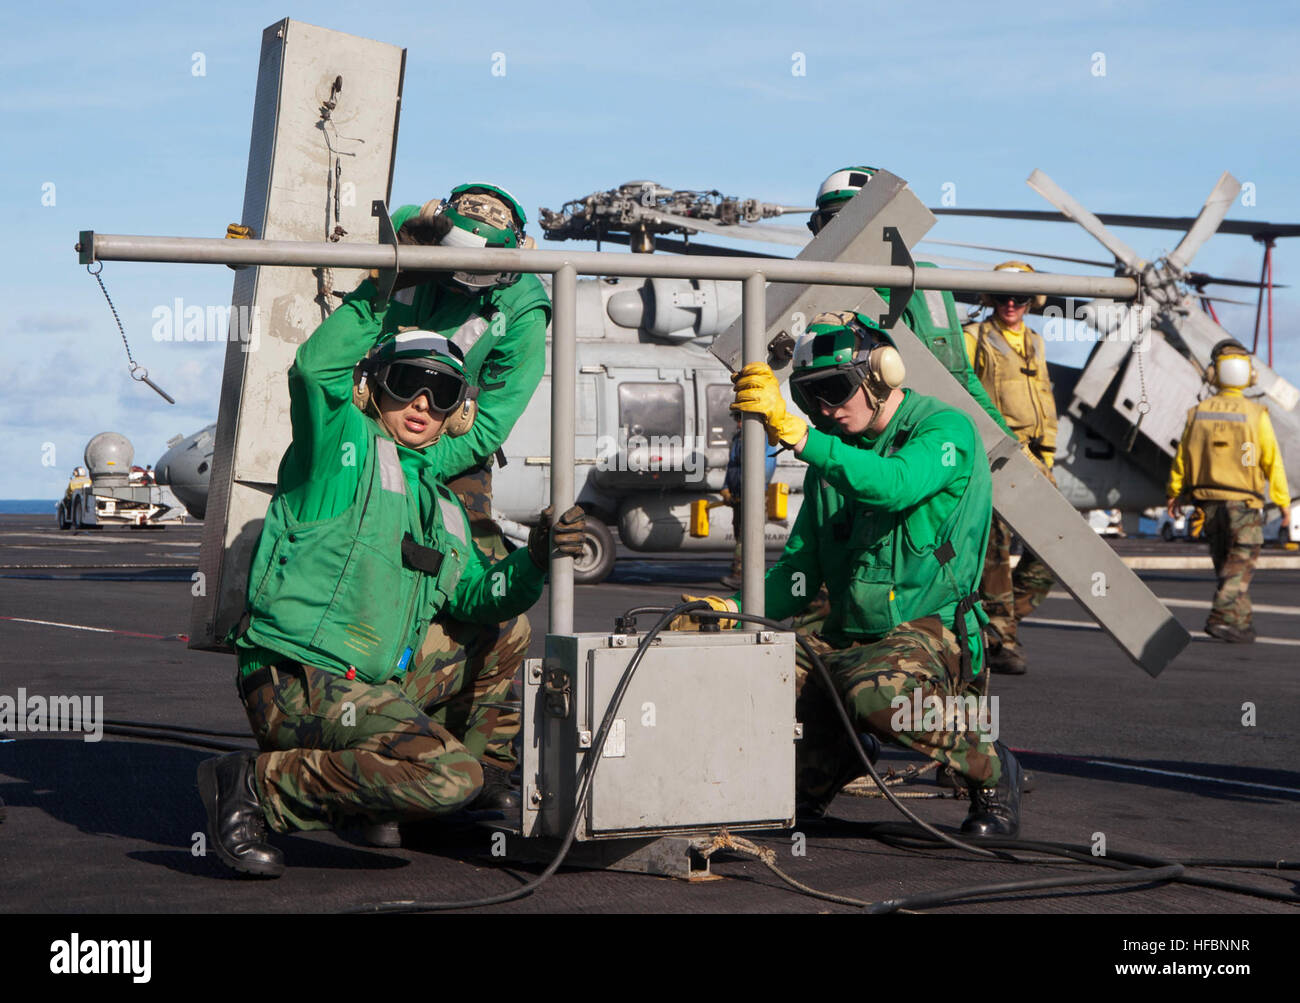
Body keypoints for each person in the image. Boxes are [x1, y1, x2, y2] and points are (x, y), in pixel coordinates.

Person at [196, 311, 583, 878]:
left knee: (506, 633)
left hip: (372, 683)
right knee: (449, 774)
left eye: (443, 391)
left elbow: (480, 596)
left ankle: (418, 798)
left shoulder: (444, 508)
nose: (424, 403)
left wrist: (536, 557)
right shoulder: (338, 448)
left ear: (457, 412)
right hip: (299, 679)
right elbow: (310, 370)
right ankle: (255, 788)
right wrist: (379, 286)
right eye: (407, 384)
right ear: (369, 388)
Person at [673, 312, 1022, 834]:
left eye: (836, 390)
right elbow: (801, 570)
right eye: (811, 399)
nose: (826, 410)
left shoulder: (944, 430)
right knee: (738, 669)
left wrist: (798, 435)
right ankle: (842, 753)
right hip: (847, 641)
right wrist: (736, 612)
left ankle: (992, 769)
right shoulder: (833, 463)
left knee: (873, 691)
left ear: (881, 374)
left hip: (930, 632)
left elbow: (894, 484)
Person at [963, 261, 1058, 675]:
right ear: (990, 299)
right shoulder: (973, 338)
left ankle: (993, 622)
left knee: (1057, 548)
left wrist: (1049, 455)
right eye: (1003, 296)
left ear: (1031, 302)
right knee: (995, 553)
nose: (1011, 304)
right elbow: (957, 388)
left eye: (1019, 298)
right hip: (998, 456)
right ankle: (1002, 639)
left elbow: (1046, 398)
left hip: (1037, 458)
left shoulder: (1036, 342)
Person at [1167, 339, 1290, 643]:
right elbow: (1271, 461)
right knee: (1242, 562)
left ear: (1213, 373)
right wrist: (1283, 503)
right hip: (1242, 504)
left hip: (1207, 504)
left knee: (1227, 564)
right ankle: (1222, 614)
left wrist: (1175, 493)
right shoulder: (1255, 414)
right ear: (1249, 375)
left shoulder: (1198, 413)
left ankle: (1241, 623)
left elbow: (1183, 456)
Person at [720, 411, 779, 590]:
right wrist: (726, 487)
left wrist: (755, 487)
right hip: (738, 494)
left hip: (754, 494)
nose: (738, 423)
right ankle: (745, 574)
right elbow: (732, 465)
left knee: (748, 536)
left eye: (741, 419)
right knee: (739, 533)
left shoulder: (762, 438)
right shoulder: (738, 438)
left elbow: (767, 465)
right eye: (737, 419)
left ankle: (740, 575)